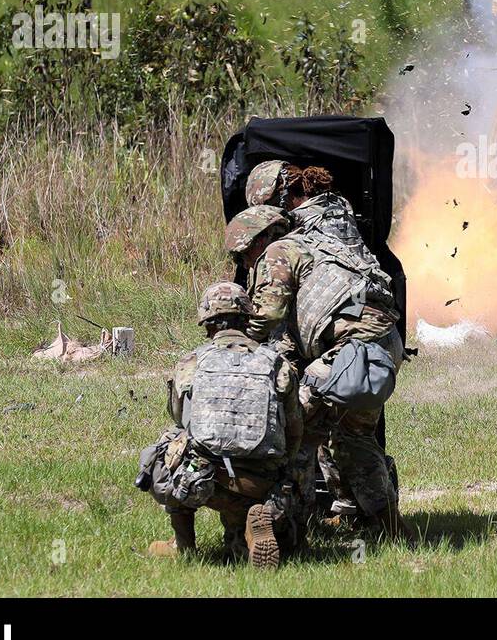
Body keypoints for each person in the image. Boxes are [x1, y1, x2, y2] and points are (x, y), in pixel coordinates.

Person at [227, 179, 416, 545]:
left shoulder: (279, 252)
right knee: (351, 437)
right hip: (381, 346)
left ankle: (284, 525)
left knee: (292, 428)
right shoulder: (325, 241)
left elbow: (266, 317)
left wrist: (231, 344)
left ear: (258, 241)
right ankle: (387, 529)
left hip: (352, 351)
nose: (244, 263)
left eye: (242, 255)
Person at [138, 281, 299, 567]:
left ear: (207, 323)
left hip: (203, 478)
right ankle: (257, 525)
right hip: (261, 480)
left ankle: (184, 546)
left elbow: (181, 419)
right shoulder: (277, 363)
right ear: (248, 320)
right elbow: (294, 430)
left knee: (165, 447)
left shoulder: (192, 362)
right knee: (274, 543)